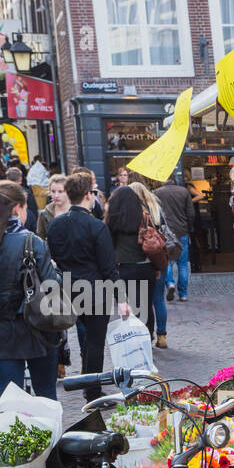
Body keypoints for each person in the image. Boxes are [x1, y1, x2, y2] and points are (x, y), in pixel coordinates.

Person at [0, 181, 61, 401]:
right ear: (17, 208)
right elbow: (51, 288)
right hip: (37, 326)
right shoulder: (33, 242)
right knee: (46, 394)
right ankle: (49, 435)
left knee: (10, 399)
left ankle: (15, 436)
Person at [48, 171, 119, 403]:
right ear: (88, 195)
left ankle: (88, 386)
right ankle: (92, 392)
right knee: (95, 342)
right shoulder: (96, 227)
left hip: (69, 288)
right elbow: (108, 267)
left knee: (85, 339)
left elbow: (56, 257)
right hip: (96, 290)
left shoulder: (56, 226)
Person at [106, 185, 159, 340]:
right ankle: (148, 335)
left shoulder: (112, 221)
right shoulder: (143, 217)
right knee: (146, 305)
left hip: (124, 268)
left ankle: (136, 337)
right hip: (146, 266)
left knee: (131, 305)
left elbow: (109, 246)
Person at [129, 180, 170, 348]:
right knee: (158, 299)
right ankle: (162, 336)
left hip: (142, 262)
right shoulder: (156, 210)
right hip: (159, 258)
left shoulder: (133, 214)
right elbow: (165, 233)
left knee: (141, 301)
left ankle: (145, 334)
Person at [156, 174, 194, 303]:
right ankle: (183, 294)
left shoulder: (157, 193)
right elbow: (191, 213)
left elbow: (155, 213)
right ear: (174, 179)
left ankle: (170, 283)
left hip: (166, 233)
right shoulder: (184, 191)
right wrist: (189, 226)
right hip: (182, 230)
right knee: (182, 263)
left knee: (166, 261)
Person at [36, 174, 70, 238]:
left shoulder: (78, 211)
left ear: (68, 192)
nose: (56, 195)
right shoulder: (44, 215)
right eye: (53, 191)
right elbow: (40, 239)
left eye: (60, 191)